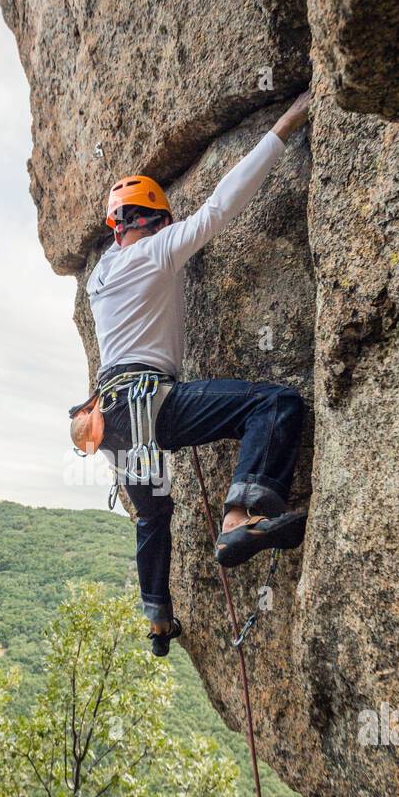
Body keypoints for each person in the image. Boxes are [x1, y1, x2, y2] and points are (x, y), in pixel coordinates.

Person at [89, 90, 311, 655]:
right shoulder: (156, 251)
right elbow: (218, 209)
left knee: (152, 514)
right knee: (275, 403)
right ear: (156, 221)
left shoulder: (99, 278)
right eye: (163, 222)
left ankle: (158, 618)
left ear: (116, 228)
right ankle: (241, 515)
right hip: (155, 401)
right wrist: (283, 126)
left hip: (112, 419)